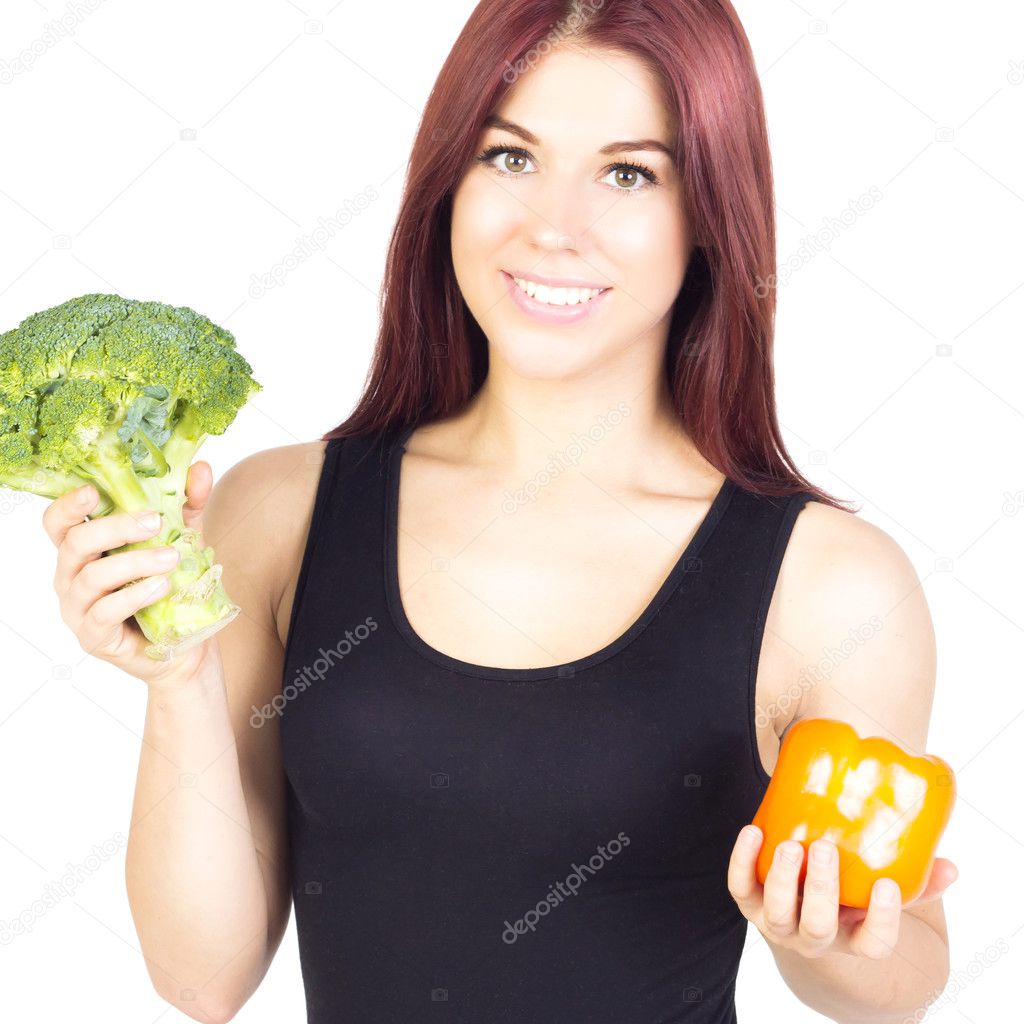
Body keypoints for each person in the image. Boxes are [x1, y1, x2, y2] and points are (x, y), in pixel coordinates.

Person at [42, 1, 956, 1021]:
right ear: (448, 182)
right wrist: (178, 678)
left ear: (710, 213)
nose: (551, 227)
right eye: (510, 157)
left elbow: (901, 976)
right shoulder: (280, 512)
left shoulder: (830, 583)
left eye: (628, 172)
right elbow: (199, 979)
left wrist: (824, 938)